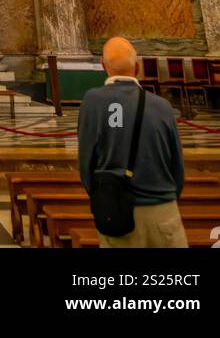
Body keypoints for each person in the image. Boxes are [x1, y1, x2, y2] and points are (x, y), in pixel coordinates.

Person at [78, 35, 187, 248]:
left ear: (103, 66)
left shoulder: (93, 101)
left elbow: (86, 163)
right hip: (164, 211)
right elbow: (177, 166)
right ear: (137, 67)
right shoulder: (163, 107)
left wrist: (103, 198)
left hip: (118, 211)